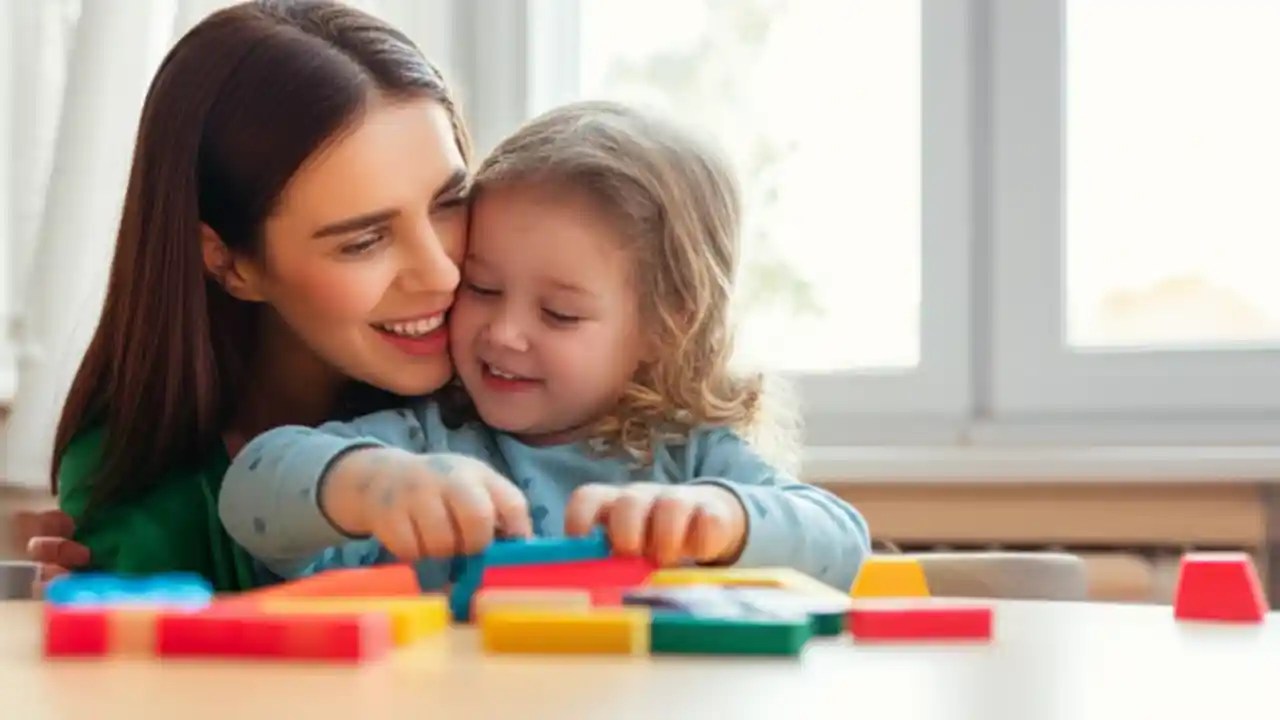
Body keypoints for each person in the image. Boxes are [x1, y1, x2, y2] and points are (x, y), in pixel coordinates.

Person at [220, 102, 871, 591]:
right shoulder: (428, 445)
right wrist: (371, 484)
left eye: (559, 313)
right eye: (481, 286)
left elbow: (843, 546)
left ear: (665, 326)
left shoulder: (685, 456)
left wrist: (720, 518)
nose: (504, 332)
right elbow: (249, 493)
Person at [26, 0, 478, 591]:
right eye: (365, 241)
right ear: (228, 262)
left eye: (449, 202)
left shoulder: (535, 393)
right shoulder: (151, 498)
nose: (441, 273)